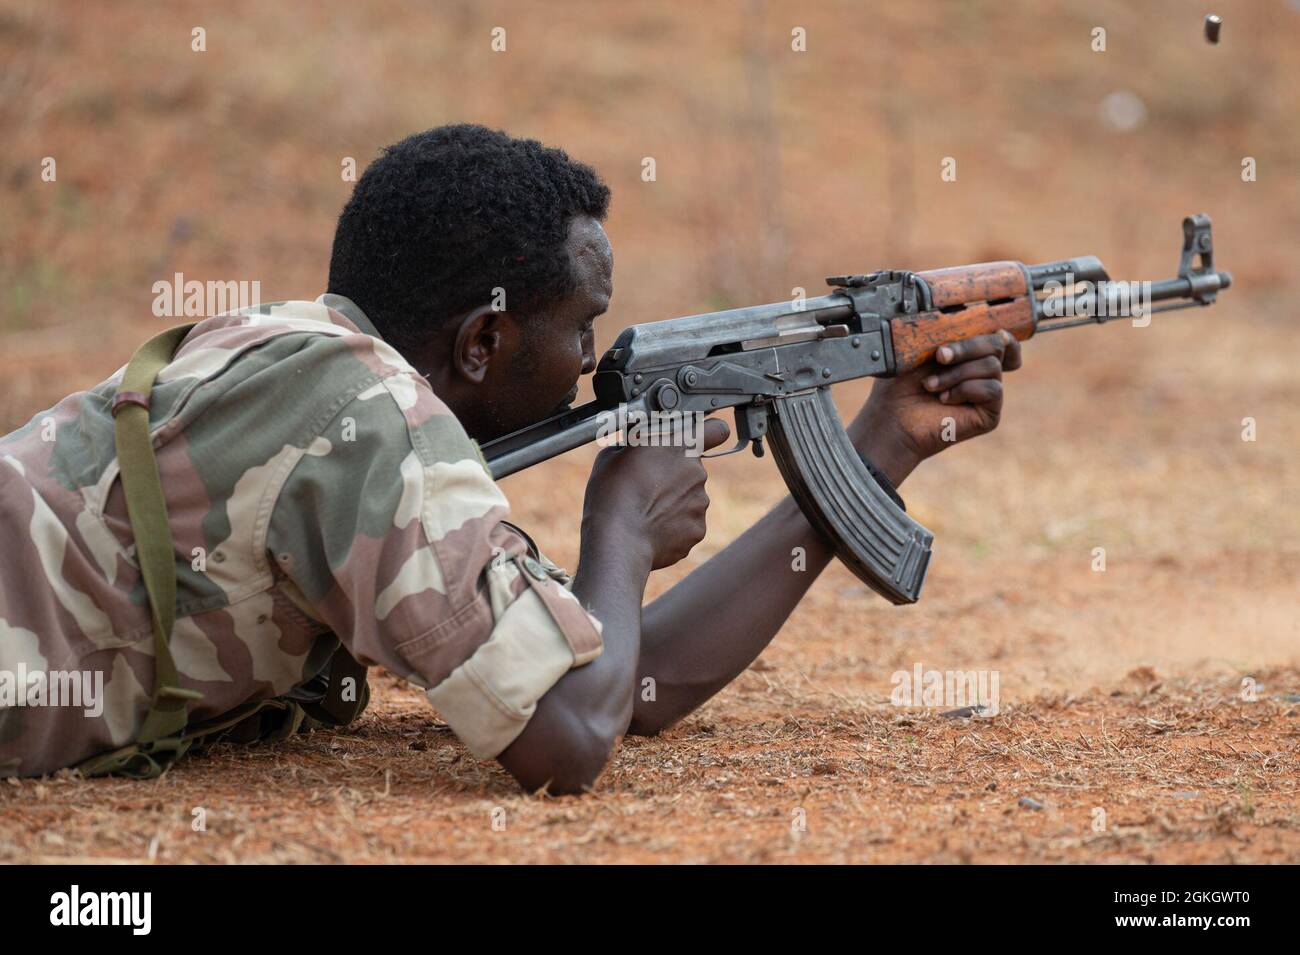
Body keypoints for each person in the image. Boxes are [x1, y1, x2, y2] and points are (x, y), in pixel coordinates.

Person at [0, 124, 1020, 791]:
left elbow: (624, 680)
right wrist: (620, 527)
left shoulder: (290, 352)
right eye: (582, 327)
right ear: (483, 342)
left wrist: (877, 447)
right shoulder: (372, 419)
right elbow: (570, 736)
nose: (591, 362)